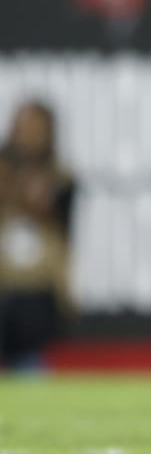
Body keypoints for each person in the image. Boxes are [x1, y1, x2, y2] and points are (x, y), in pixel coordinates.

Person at [0, 101, 76, 374]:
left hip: (37, 289)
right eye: (23, 126)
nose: (28, 134)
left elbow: (47, 205)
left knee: (29, 364)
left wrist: (11, 184)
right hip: (3, 283)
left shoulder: (61, 176)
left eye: (36, 127)